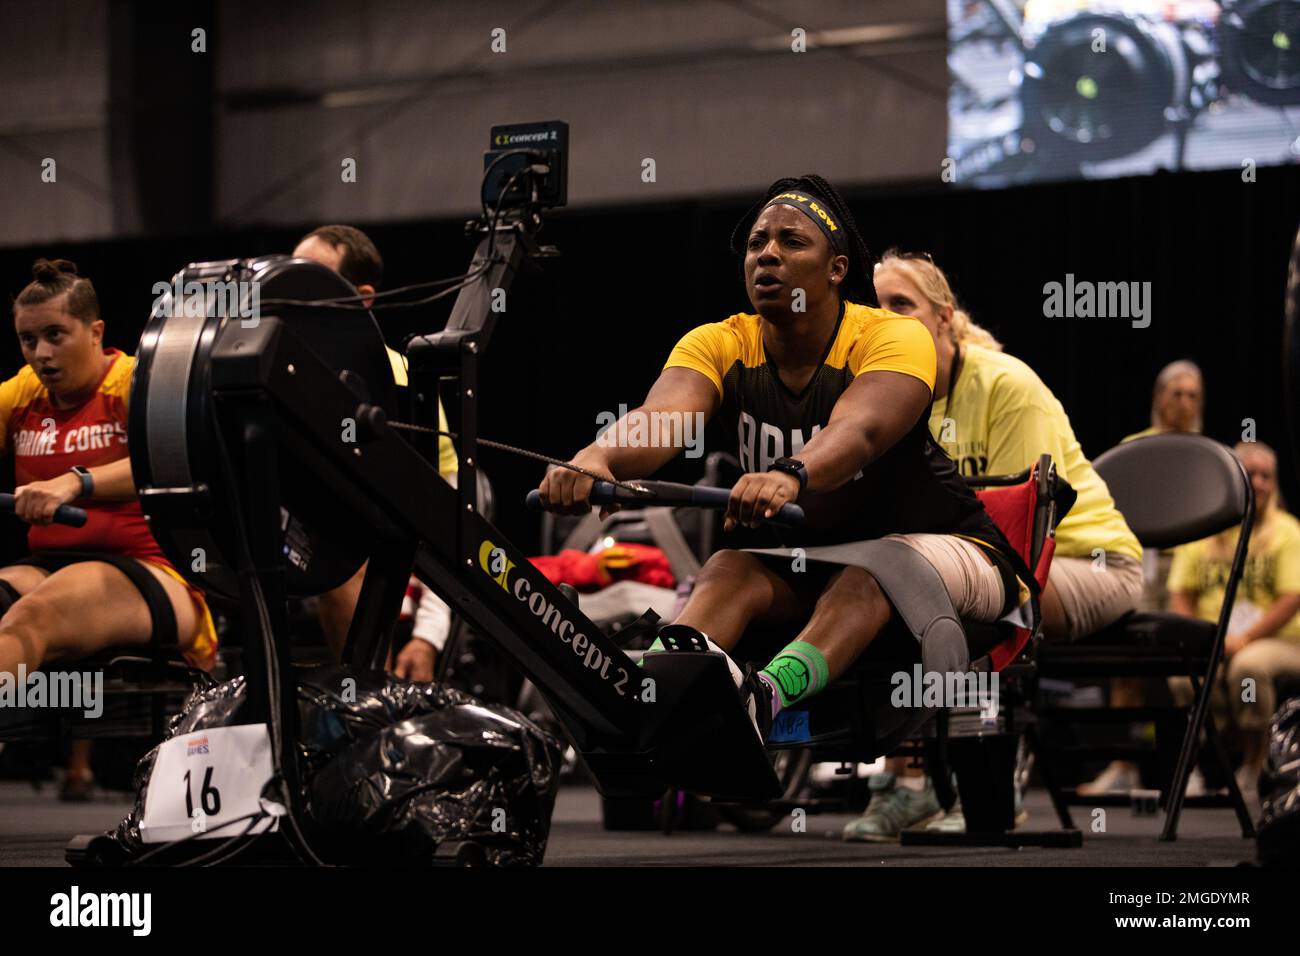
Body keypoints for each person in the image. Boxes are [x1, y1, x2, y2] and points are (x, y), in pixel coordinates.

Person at [533, 175, 1029, 843]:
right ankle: (653, 693)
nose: (766, 254)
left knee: (873, 570)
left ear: (836, 269)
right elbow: (663, 417)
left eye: (790, 241)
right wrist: (598, 459)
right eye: (757, 243)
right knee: (730, 567)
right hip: (820, 563)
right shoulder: (720, 342)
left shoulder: (889, 335)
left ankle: (761, 701)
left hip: (952, 552)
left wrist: (793, 472)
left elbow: (861, 431)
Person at [855, 250, 1143, 834]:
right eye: (874, 309)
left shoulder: (1007, 384)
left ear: (943, 317)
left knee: (970, 599)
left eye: (901, 305)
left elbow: (1022, 530)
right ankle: (909, 784)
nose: (885, 319)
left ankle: (985, 783)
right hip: (972, 564)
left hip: (1086, 561)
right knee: (884, 593)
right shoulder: (889, 398)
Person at [0, 260, 218, 795]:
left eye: (55, 335)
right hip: (49, 567)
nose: (41, 354)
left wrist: (76, 483)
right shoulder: (21, 394)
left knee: (32, 616)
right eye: (28, 340)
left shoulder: (138, 382)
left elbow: (167, 461)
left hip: (156, 573)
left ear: (95, 332)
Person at [291, 225, 457, 681]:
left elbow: (448, 528)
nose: (292, 295)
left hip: (376, 565)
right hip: (291, 556)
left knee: (337, 560)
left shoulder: (402, 380)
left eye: (313, 280)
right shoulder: (279, 376)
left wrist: (427, 639)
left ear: (362, 297)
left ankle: (373, 715)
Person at [1166, 441, 1300, 801]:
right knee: (1183, 676)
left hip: (1281, 640)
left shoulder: (1288, 532)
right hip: (1214, 637)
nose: (1256, 483)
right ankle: (1197, 766)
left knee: (1248, 669)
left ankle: (1255, 764)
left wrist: (1243, 639)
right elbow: (1182, 594)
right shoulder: (1202, 528)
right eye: (1248, 475)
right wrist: (1194, 638)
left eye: (1265, 476)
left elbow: (1291, 598)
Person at [1122, 359, 1204, 443]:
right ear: (1160, 396)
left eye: (1192, 396)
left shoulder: (1206, 449)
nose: (1184, 404)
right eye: (1177, 394)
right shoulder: (1134, 445)